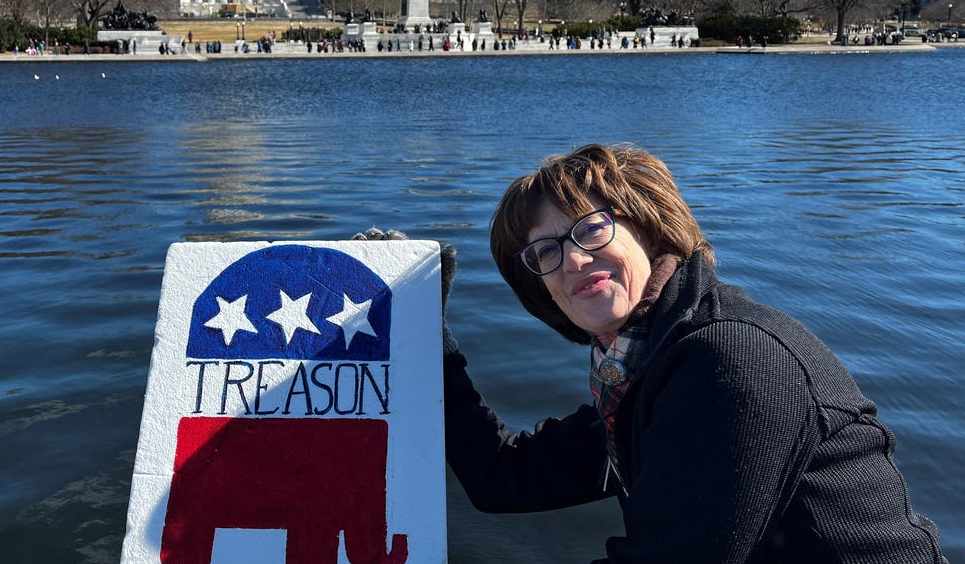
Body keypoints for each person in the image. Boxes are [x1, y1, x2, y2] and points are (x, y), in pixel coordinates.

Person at [357, 143, 946, 564]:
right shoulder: (644, 371)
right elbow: (502, 480)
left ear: (651, 227)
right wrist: (424, 335)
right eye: (546, 252)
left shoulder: (729, 360)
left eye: (591, 229)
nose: (573, 260)